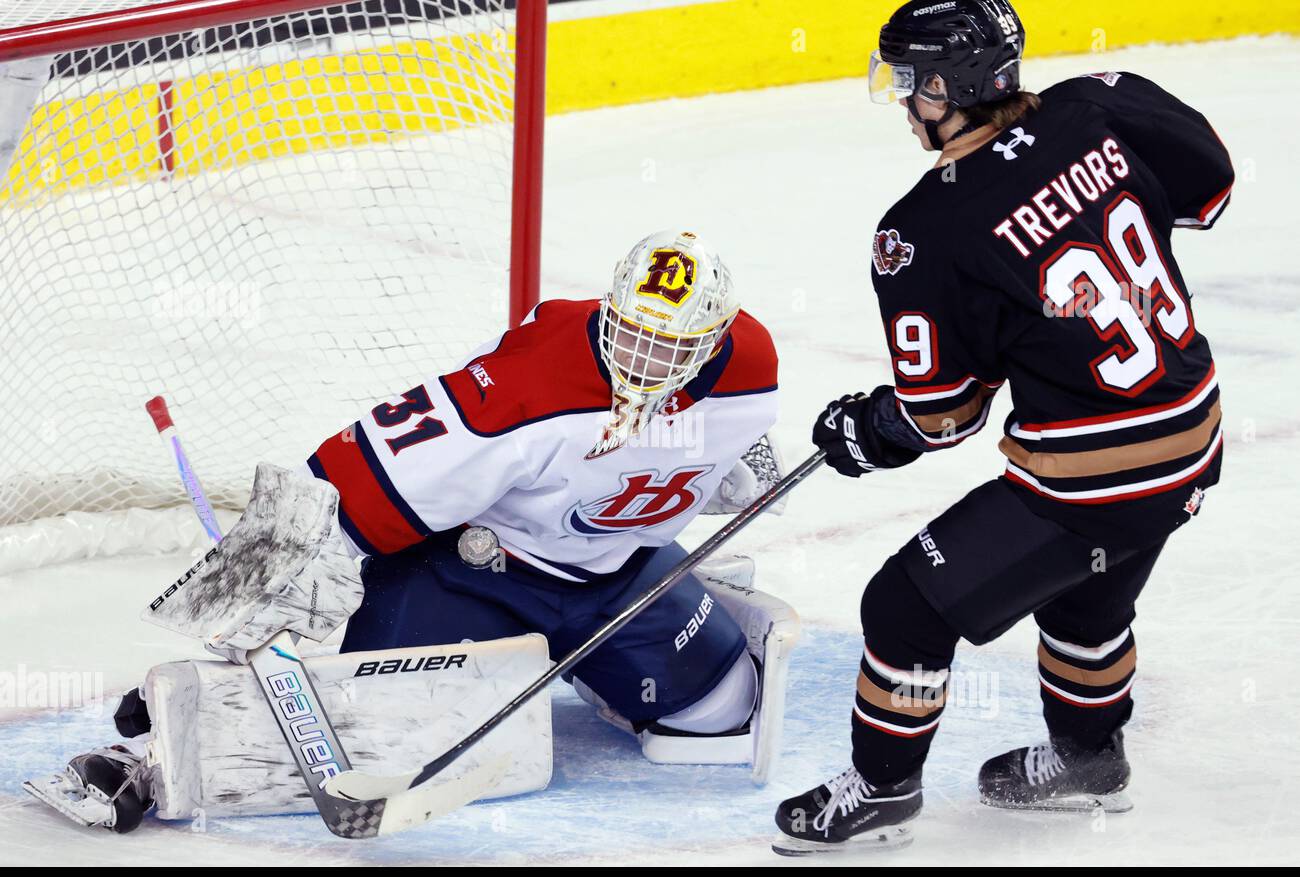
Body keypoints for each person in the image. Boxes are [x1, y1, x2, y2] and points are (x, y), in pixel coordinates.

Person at [31, 231, 793, 833]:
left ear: (716, 338)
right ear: (609, 308)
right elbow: (350, 484)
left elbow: (734, 444)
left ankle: (585, 671)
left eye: (667, 348)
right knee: (385, 741)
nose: (640, 361)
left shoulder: (751, 365)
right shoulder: (528, 392)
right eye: (627, 335)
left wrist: (731, 471)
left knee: (719, 715)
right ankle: (138, 758)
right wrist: (253, 596)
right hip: (474, 574)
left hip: (615, 574)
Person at [773, 0, 1232, 855]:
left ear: (944, 89)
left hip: (1092, 477)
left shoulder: (923, 230)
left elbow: (943, 415)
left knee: (904, 607)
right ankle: (1090, 761)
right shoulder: (1099, 104)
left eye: (910, 84)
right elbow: (1209, 187)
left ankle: (881, 791)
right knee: (1087, 606)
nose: (905, 103)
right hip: (1193, 434)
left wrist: (868, 429)